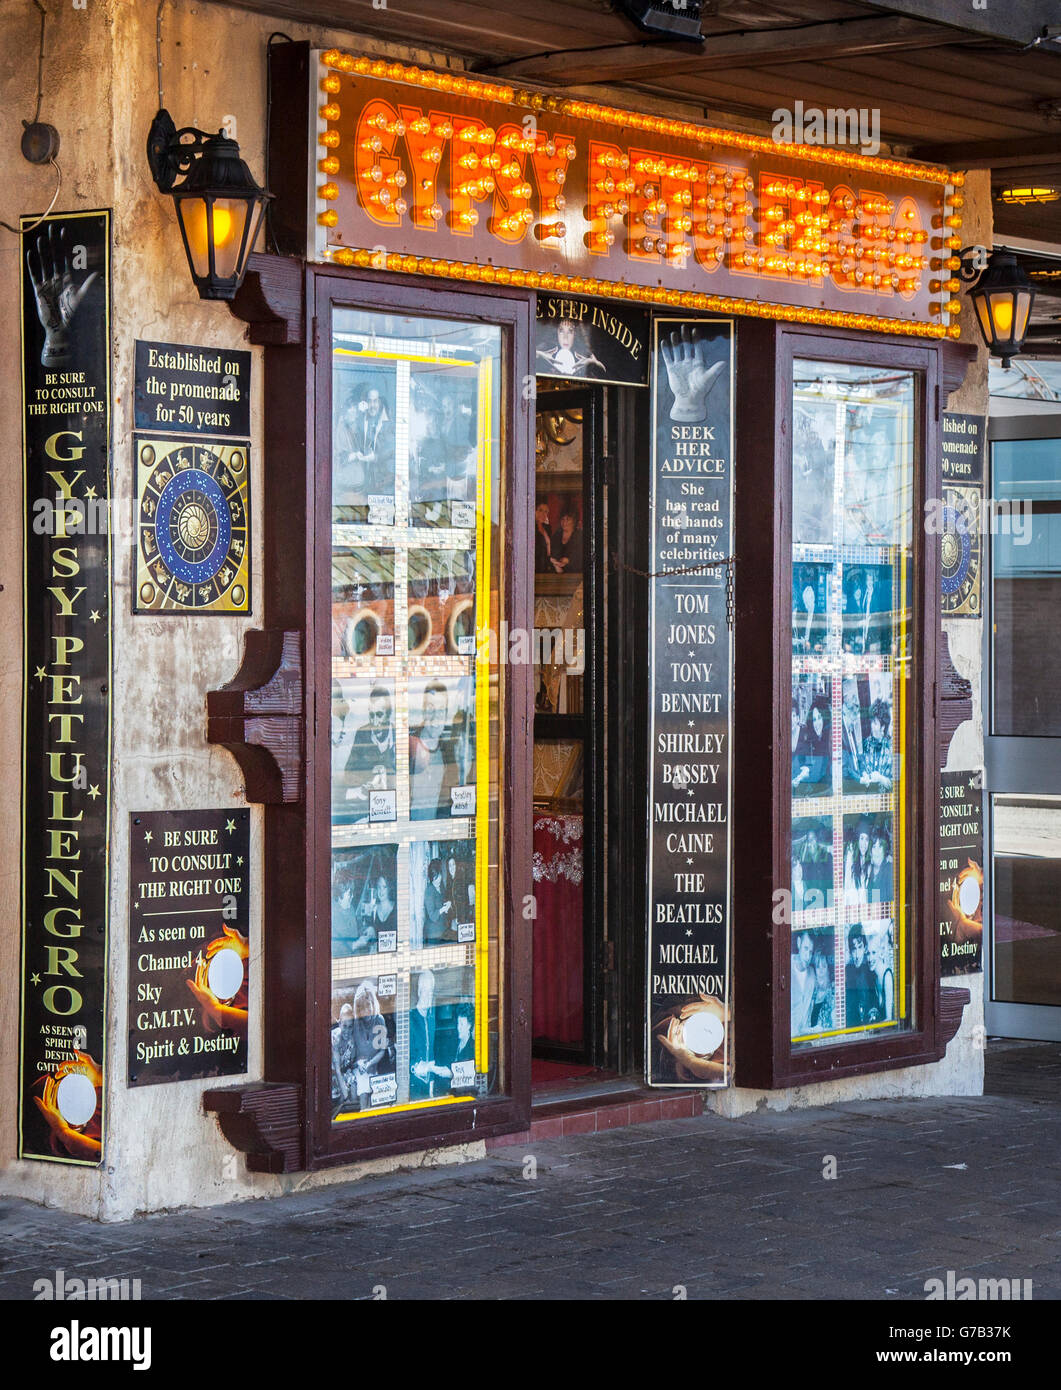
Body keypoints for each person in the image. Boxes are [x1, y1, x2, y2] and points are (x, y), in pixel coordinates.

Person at [334, 385, 394, 502]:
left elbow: (392, 452)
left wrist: (375, 457)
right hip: (363, 486)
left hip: (384, 486)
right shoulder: (360, 421)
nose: (373, 405)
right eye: (369, 401)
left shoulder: (390, 425)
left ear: (380, 402)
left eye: (375, 401)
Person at [410, 682, 460, 820]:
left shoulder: (448, 753)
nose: (436, 716)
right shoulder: (409, 745)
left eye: (441, 710)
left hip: (435, 833)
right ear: (423, 710)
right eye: (431, 708)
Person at [342, 684, 395, 815]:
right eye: (371, 715)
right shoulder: (362, 734)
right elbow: (348, 774)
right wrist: (368, 778)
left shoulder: (398, 735)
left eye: (379, 715)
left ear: (388, 714)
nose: (375, 722)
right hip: (366, 808)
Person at [409, 969, 447, 1100]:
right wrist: (414, 1067)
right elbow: (403, 1055)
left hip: (431, 1081)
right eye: (426, 991)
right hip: (414, 1084)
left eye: (432, 992)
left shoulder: (432, 1017)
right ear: (419, 992)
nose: (429, 996)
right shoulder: (410, 1019)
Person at [536, 318, 604, 377]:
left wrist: (596, 364)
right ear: (556, 332)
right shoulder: (545, 356)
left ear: (575, 334)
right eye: (561, 331)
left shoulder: (584, 359)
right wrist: (537, 355)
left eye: (570, 331)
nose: (565, 338)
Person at [435, 1002, 476, 1096]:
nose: (458, 1028)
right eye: (457, 1023)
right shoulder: (452, 1043)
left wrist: (450, 1074)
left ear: (469, 1025)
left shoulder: (472, 1048)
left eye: (462, 1024)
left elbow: (470, 1079)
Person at [792, 697, 830, 796]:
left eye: (819, 718)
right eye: (814, 719)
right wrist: (803, 774)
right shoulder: (811, 740)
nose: (817, 723)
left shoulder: (830, 739)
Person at [844, 926, 875, 1027]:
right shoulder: (846, 972)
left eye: (860, 947)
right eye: (853, 949)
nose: (857, 955)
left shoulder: (871, 972)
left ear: (865, 948)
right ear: (849, 950)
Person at [860, 699, 893, 792]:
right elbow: (861, 766)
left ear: (883, 727)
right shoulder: (865, 744)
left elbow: (897, 784)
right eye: (871, 722)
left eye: (875, 723)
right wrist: (864, 774)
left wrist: (880, 778)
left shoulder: (892, 747)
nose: (871, 726)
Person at [422, 857, 453, 944]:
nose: (437, 881)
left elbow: (442, 901)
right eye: (434, 878)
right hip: (433, 934)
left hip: (442, 931)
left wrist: (447, 904)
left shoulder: (441, 885)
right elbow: (432, 915)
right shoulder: (429, 890)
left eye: (439, 876)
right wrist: (443, 909)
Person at [790, 930, 815, 1036]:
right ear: (799, 943)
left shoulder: (812, 974)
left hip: (804, 1039)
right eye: (805, 948)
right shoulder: (785, 967)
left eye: (810, 952)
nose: (807, 956)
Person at [867, 931, 895, 1023]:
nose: (870, 958)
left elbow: (889, 1019)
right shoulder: (874, 976)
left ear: (881, 953)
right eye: (868, 953)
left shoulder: (887, 976)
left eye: (874, 952)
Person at [550, 508, 583, 575]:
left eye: (568, 519)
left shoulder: (579, 535)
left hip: (575, 575)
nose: (564, 522)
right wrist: (556, 562)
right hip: (556, 574)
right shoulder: (556, 535)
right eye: (563, 519)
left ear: (574, 521)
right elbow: (552, 554)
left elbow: (581, 558)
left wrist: (568, 561)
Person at [808, 949, 834, 1031]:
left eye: (824, 966)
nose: (821, 970)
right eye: (818, 966)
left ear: (827, 968)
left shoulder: (832, 991)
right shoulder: (811, 991)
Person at [867, 827, 894, 906]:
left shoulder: (889, 869)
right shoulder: (869, 871)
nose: (877, 852)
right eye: (874, 847)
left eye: (880, 847)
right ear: (870, 851)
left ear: (884, 849)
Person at [535, 501, 553, 574]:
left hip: (545, 564)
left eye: (546, 512)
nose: (543, 514)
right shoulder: (530, 527)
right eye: (540, 510)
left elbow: (549, 548)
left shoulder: (547, 527)